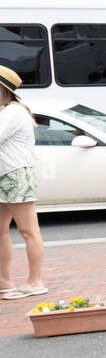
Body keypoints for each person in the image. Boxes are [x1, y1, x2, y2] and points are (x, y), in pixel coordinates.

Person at [0, 66, 47, 300]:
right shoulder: (6, 111)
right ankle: (4, 281)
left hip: (16, 174)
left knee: (28, 230)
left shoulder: (13, 112)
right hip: (4, 175)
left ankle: (35, 281)